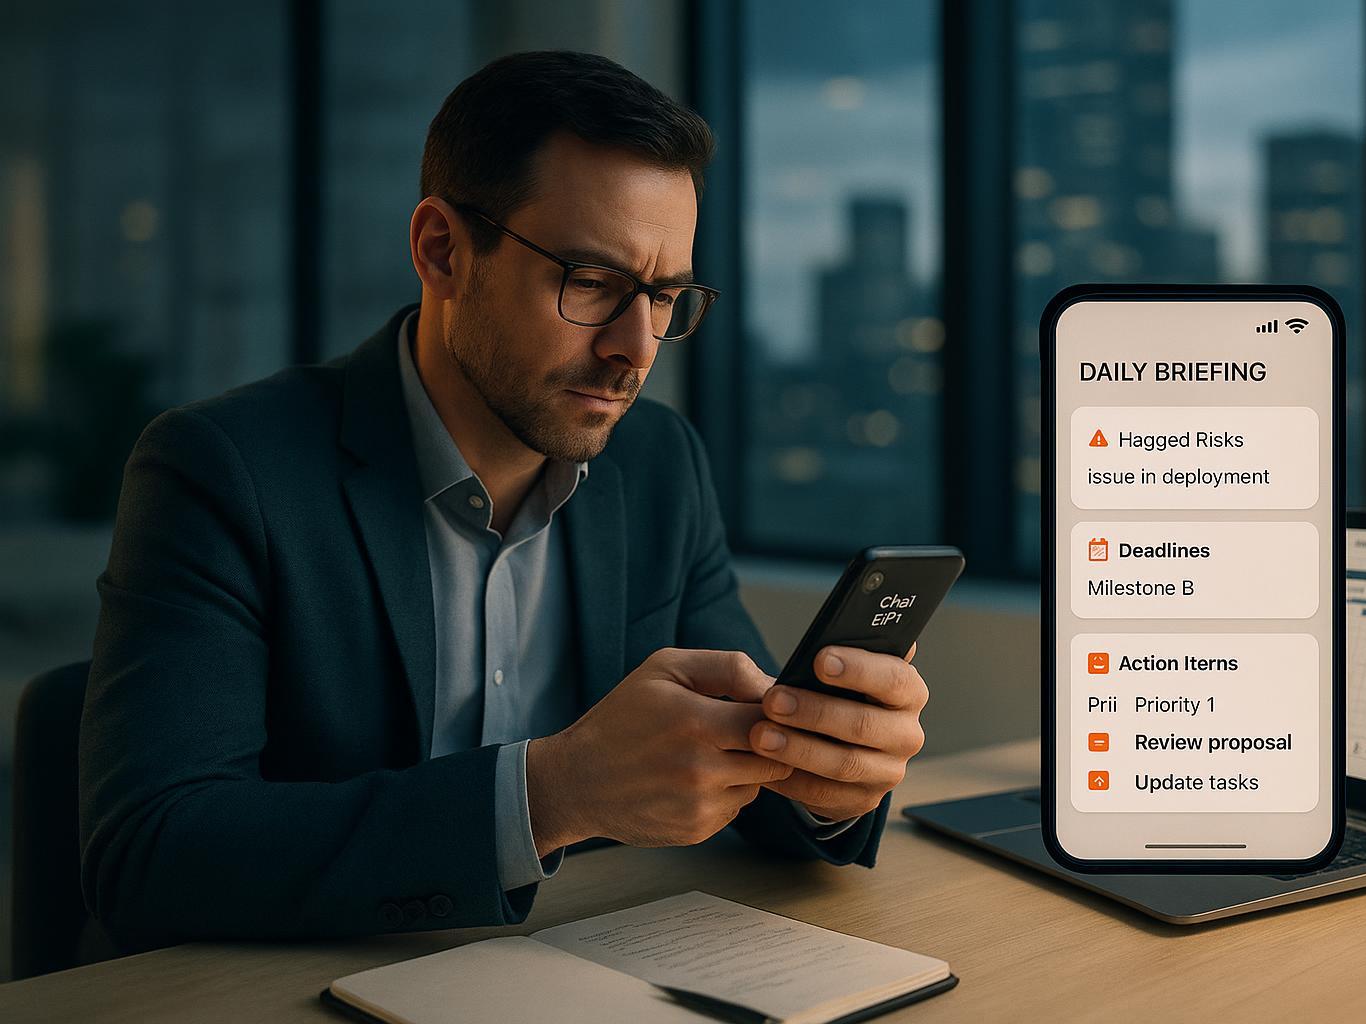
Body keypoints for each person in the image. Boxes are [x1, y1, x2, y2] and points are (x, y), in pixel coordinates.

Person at [78, 50, 930, 950]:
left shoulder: (659, 463)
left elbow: (746, 760)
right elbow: (148, 852)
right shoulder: (223, 470)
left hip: (580, 969)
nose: (636, 349)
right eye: (591, 282)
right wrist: (549, 796)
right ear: (442, 250)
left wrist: (827, 776)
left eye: (665, 297)